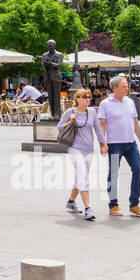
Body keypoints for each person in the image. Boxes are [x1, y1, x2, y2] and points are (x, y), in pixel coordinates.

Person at [97, 75, 140, 217]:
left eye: (127, 86)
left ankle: (134, 204)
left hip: (131, 144)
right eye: (124, 86)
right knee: (113, 174)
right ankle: (113, 205)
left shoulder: (130, 102)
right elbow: (101, 125)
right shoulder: (105, 104)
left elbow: (135, 123)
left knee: (138, 170)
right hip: (114, 144)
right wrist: (102, 143)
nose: (127, 88)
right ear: (115, 88)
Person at [59, 89, 99, 221]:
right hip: (75, 148)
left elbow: (97, 129)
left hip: (89, 150)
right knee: (83, 176)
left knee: (80, 177)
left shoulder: (92, 112)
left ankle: (71, 201)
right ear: (77, 99)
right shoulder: (69, 112)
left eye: (89, 97)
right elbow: (60, 127)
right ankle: (88, 208)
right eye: (84, 97)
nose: (88, 99)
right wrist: (70, 121)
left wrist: (103, 144)